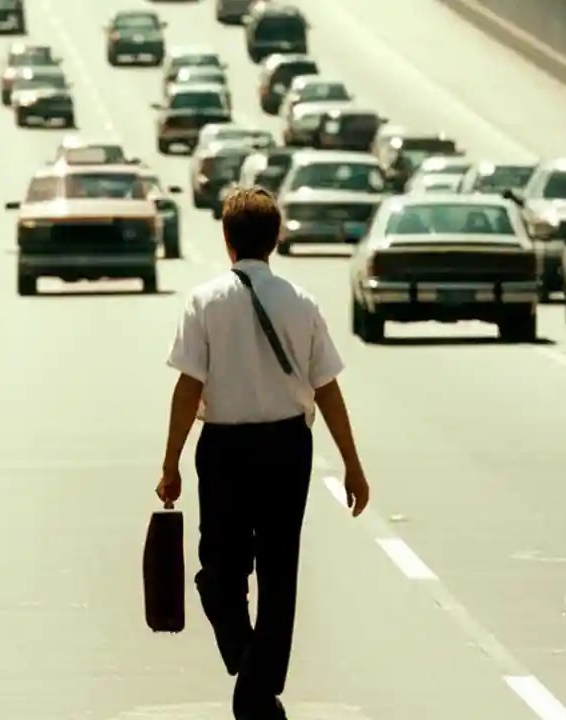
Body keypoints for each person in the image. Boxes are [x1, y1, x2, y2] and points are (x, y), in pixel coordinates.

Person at [158, 187, 371, 720]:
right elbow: (327, 388)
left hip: (224, 450)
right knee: (279, 570)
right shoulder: (300, 303)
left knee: (218, 571)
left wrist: (171, 462)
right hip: (287, 449)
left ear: (227, 240)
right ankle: (258, 674)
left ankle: (250, 675)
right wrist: (351, 462)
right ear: (276, 239)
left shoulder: (204, 302)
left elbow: (189, 386)